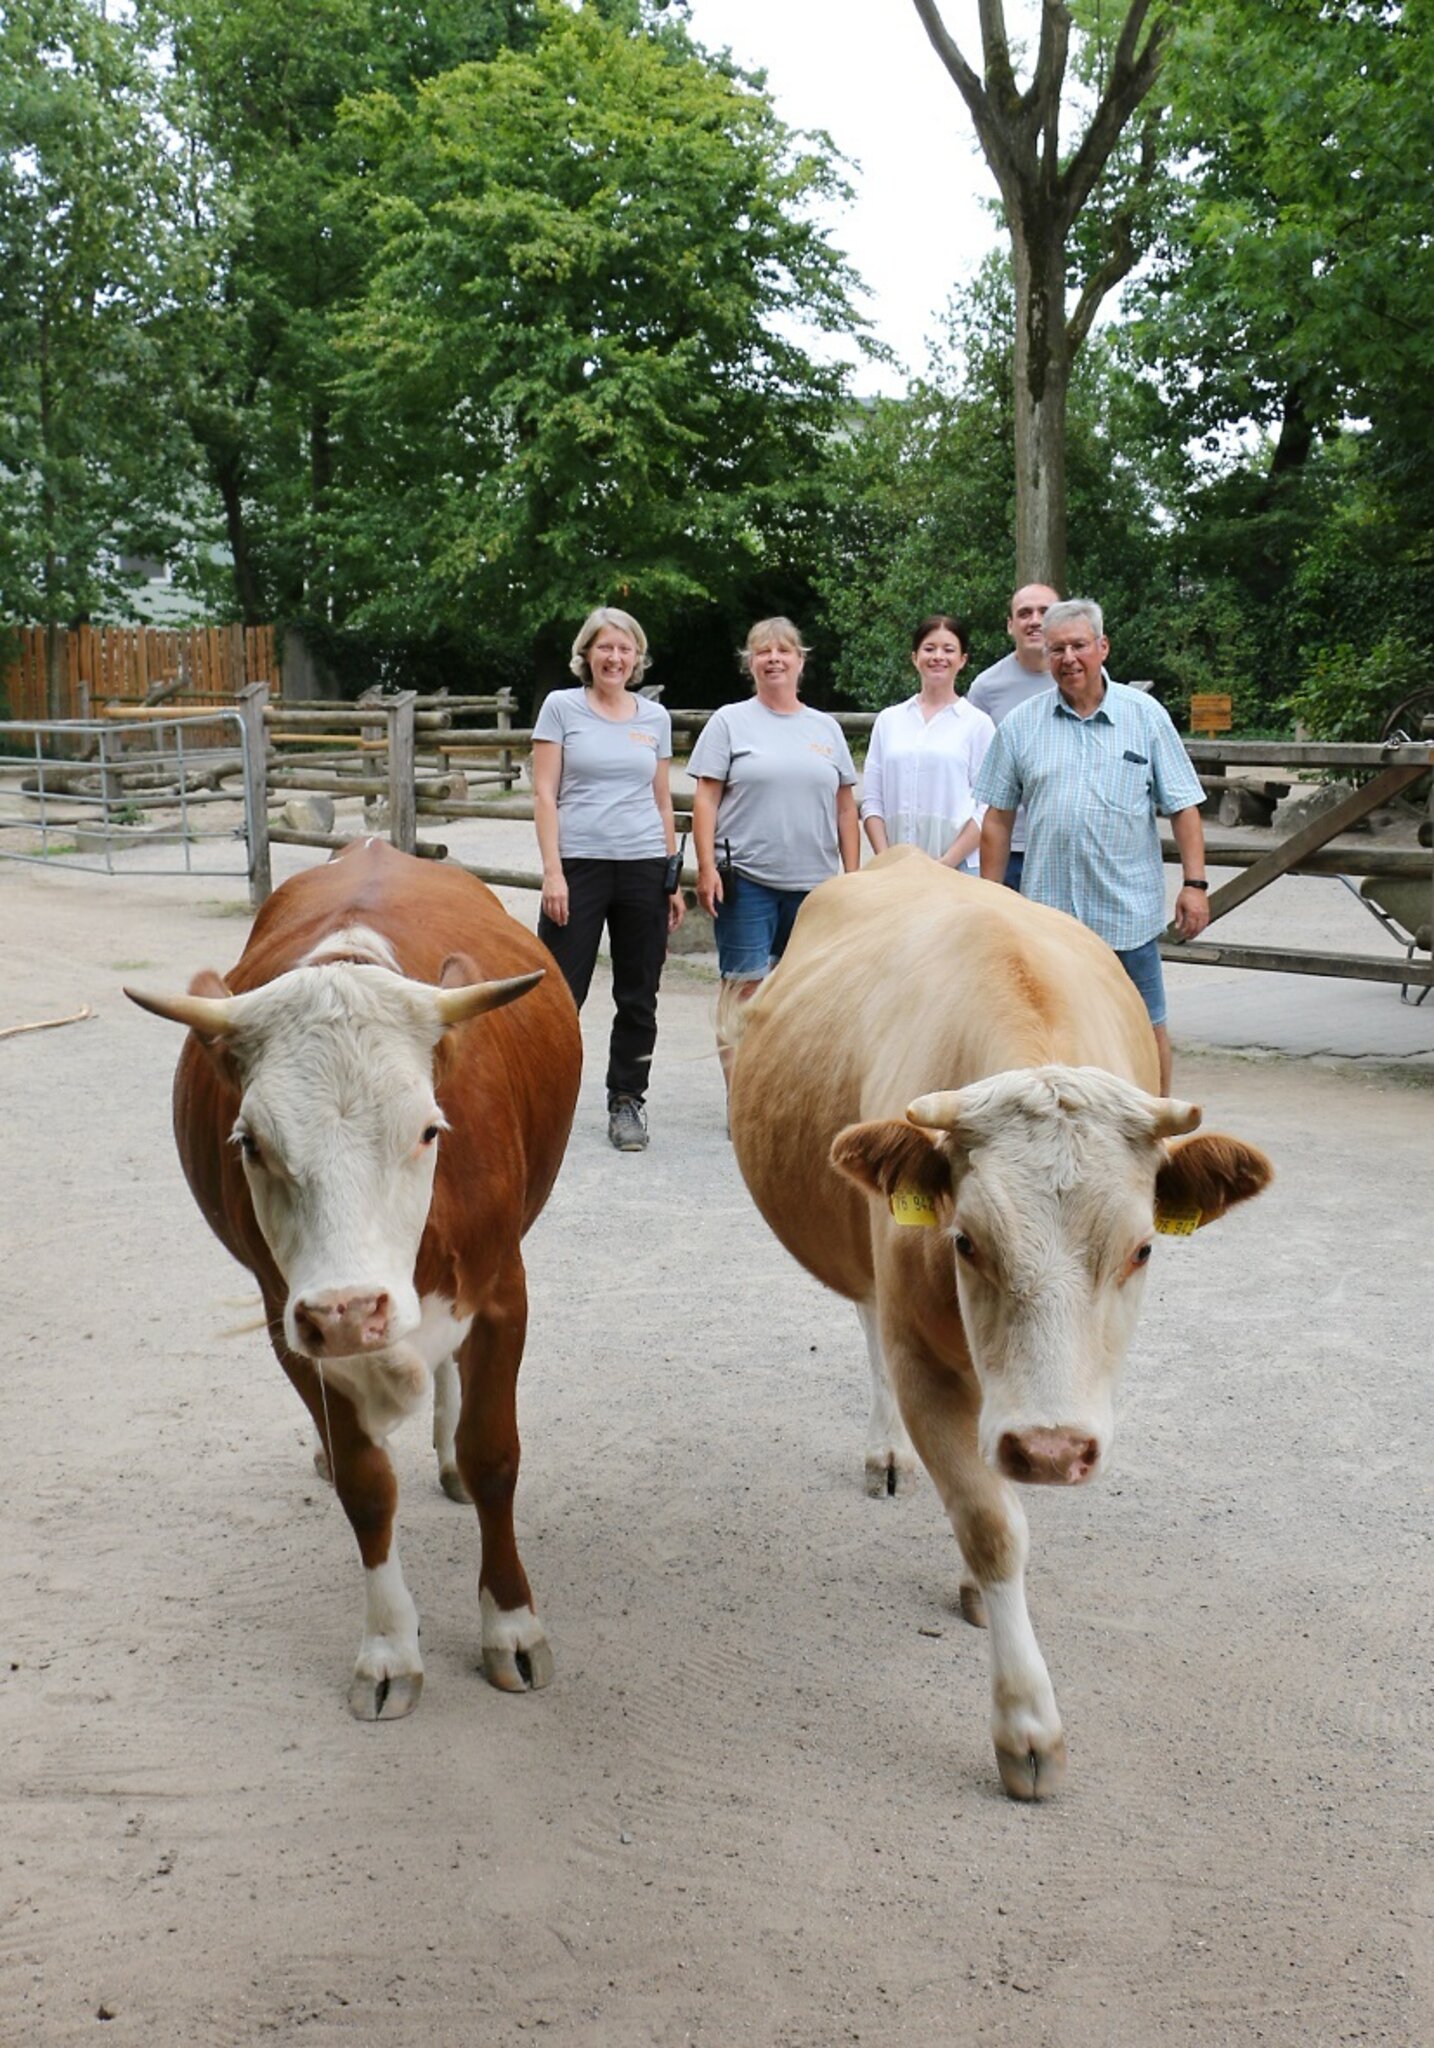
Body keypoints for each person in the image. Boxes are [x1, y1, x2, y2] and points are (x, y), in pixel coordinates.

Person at [974, 598, 1210, 1095]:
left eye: (1079, 645)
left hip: (1125, 914)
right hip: (1050, 919)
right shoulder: (1022, 723)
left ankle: (1154, 1132)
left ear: (1102, 648)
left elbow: (1184, 806)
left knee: (1146, 1029)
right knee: (1054, 1035)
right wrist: (990, 900)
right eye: (1056, 648)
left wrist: (1195, 884)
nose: (1068, 658)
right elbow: (996, 818)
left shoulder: (1144, 717)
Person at [533, 606, 685, 1152]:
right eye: (605, 647)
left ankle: (627, 1101)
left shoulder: (654, 718)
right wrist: (553, 872)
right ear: (586, 653)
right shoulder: (561, 708)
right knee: (556, 993)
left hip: (643, 865)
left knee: (638, 994)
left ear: (637, 657)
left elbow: (661, 798)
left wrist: (671, 876)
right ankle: (539, 1099)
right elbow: (545, 793)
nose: (614, 658)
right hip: (579, 866)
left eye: (625, 649)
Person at [690, 617, 860, 1090]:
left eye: (784, 651)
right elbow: (706, 798)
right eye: (763, 652)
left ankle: (793, 1091)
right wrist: (706, 868)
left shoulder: (824, 728)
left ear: (800, 661)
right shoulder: (729, 722)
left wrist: (852, 878)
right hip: (747, 877)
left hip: (815, 885)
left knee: (807, 992)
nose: (774, 659)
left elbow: (846, 808)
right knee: (744, 987)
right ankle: (742, 1094)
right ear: (750, 663)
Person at [860, 614, 996, 871]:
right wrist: (887, 860)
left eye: (949, 649)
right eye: (929, 648)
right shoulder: (889, 720)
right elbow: (872, 800)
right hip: (895, 870)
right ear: (915, 657)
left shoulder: (978, 724)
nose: (938, 657)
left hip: (957, 868)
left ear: (962, 660)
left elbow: (985, 807)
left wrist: (945, 863)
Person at [966, 581, 1061, 890]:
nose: (1035, 620)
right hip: (1009, 845)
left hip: (1068, 844)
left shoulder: (1087, 678)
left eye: (1045, 612)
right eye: (1024, 613)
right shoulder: (986, 688)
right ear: (1010, 625)